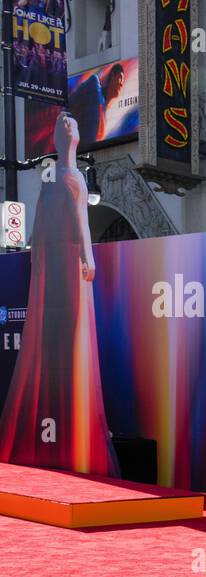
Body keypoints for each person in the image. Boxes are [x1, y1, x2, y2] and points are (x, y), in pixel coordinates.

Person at [0, 112, 120, 477]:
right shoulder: (58, 182)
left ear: (78, 137)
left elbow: (74, 221)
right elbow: (63, 224)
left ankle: (69, 422)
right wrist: (86, 254)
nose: (68, 130)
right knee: (59, 341)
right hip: (60, 270)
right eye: (62, 127)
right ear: (55, 137)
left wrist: (81, 255)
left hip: (65, 271)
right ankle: (60, 423)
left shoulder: (66, 181)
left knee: (69, 341)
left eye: (73, 126)